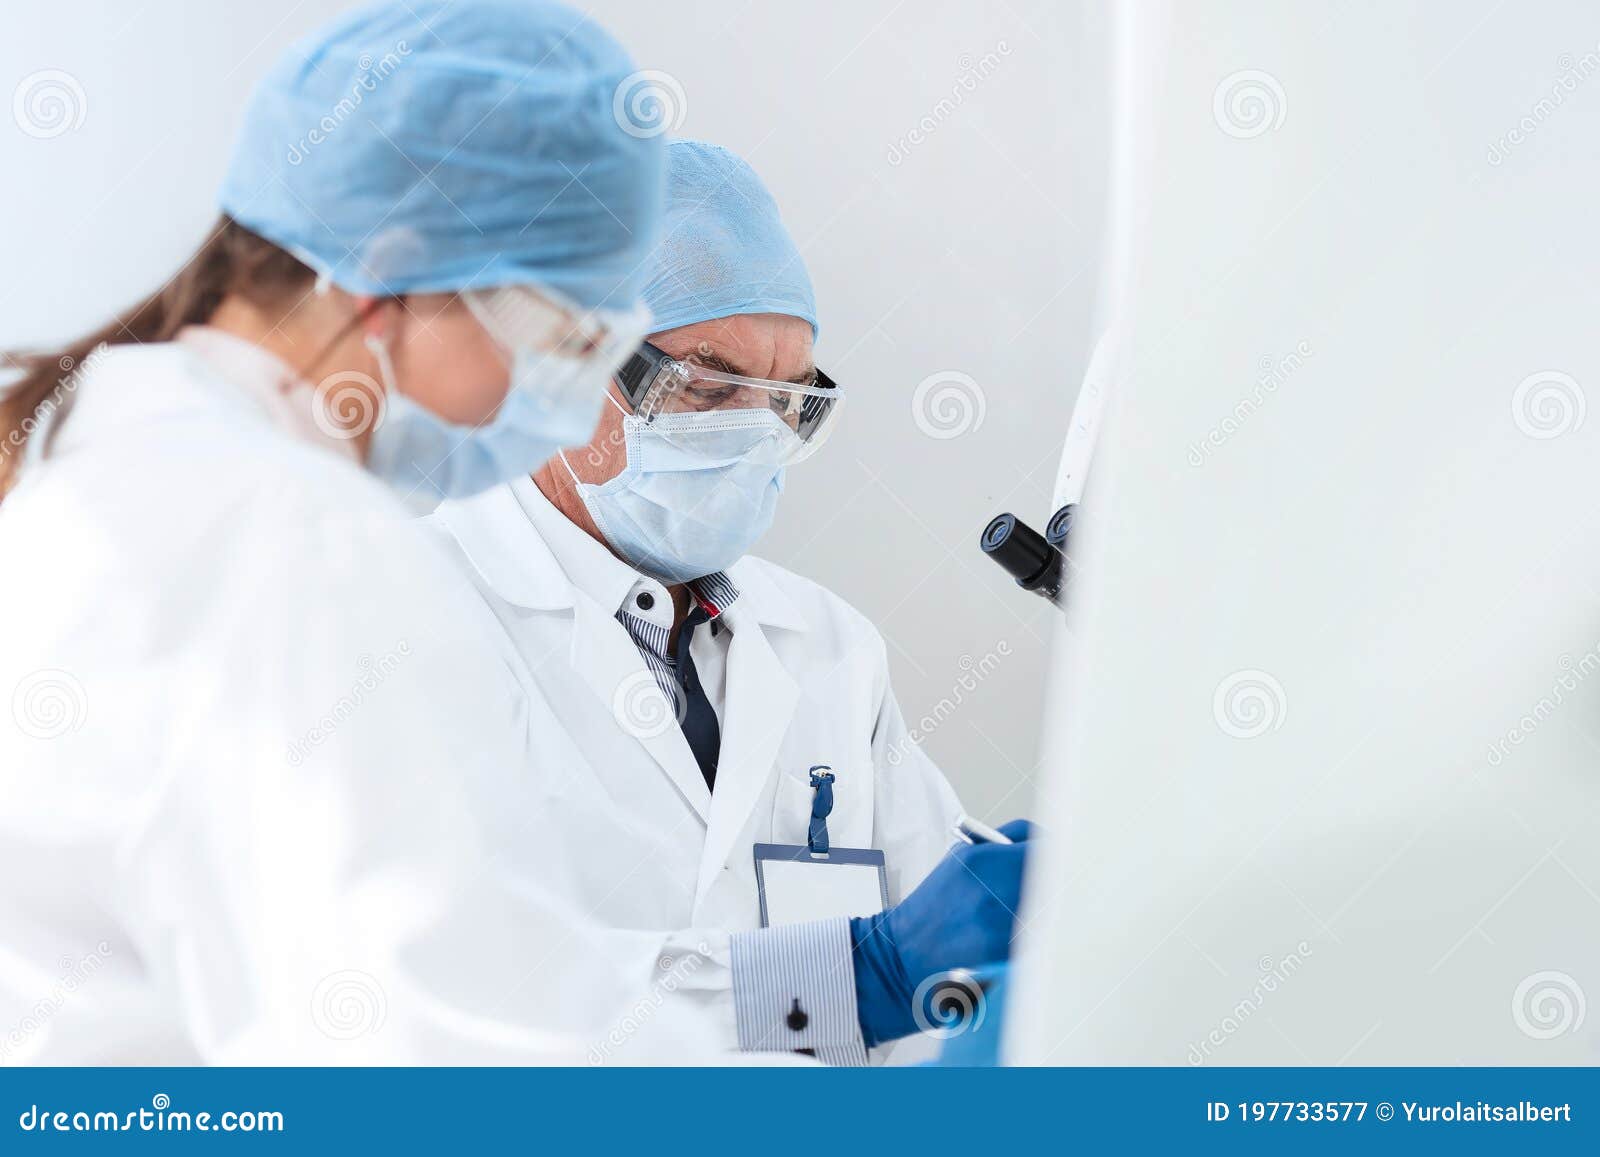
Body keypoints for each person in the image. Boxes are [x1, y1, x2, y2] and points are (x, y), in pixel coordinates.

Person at [0, 0, 689, 1063]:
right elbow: (459, 1064)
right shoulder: (298, 539)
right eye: (559, 335)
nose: (559, 397)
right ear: (392, 278)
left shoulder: (94, 469)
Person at [420, 140, 1032, 1064]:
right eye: (706, 384)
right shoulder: (408, 619)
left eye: (785, 400)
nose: (754, 435)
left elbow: (942, 972)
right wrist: (848, 978)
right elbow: (460, 1001)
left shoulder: (829, 648)